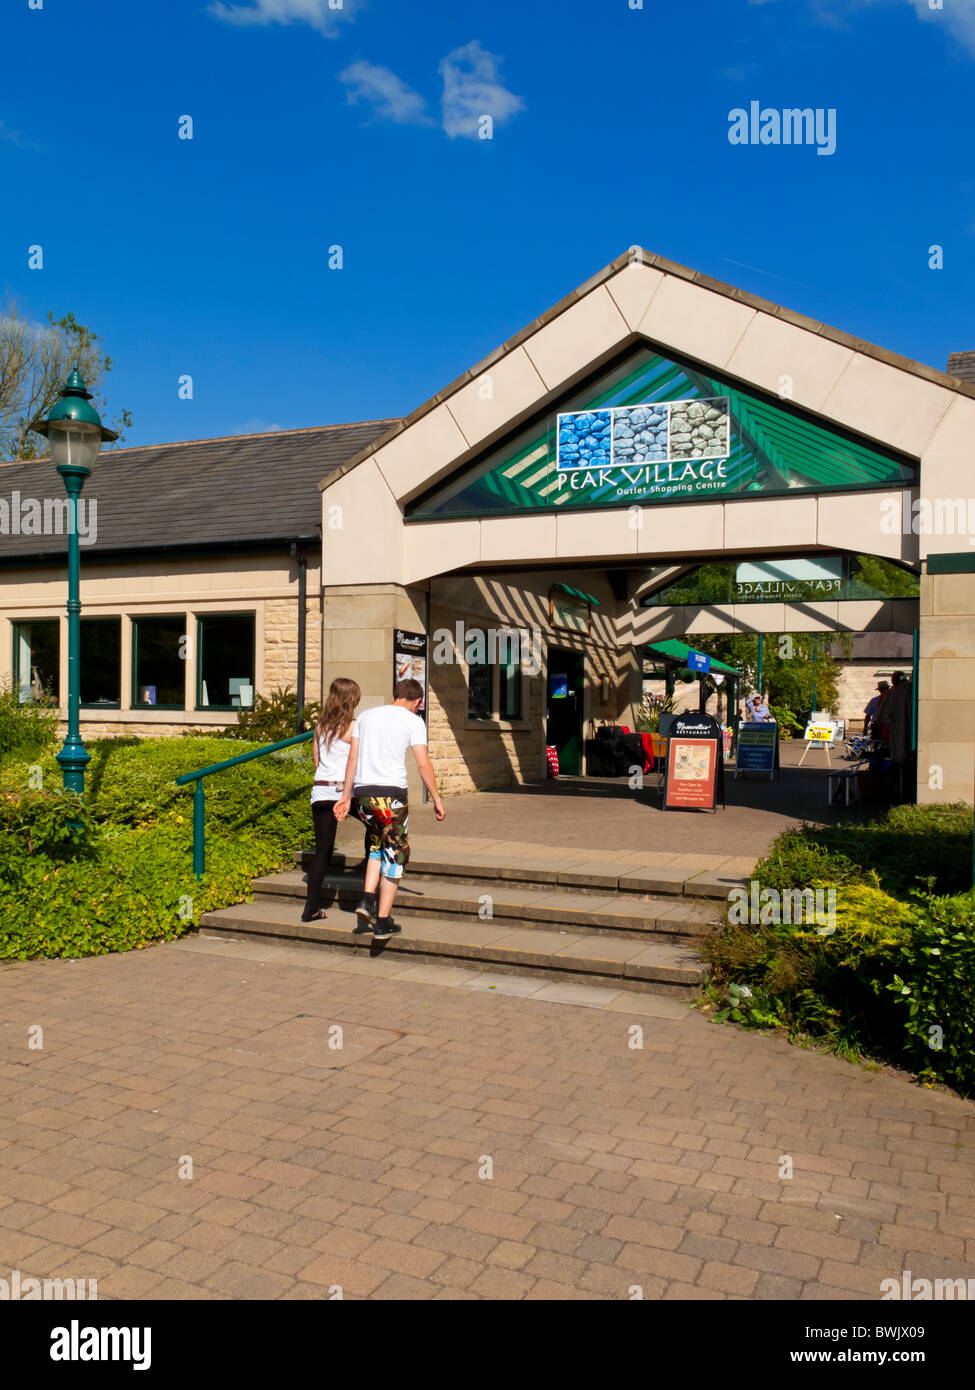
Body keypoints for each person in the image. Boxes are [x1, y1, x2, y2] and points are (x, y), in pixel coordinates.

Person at [335, 678, 445, 941]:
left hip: (363, 795)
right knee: (395, 856)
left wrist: (346, 796)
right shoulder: (413, 721)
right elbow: (422, 764)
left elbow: (352, 758)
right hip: (391, 797)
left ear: (396, 695)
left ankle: (366, 900)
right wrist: (437, 798)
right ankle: (383, 921)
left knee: (376, 847)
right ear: (417, 702)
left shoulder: (366, 716)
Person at [301, 677, 361, 923]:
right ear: (351, 700)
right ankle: (371, 894)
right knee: (379, 827)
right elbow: (353, 761)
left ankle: (311, 908)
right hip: (343, 792)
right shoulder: (354, 726)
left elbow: (317, 761)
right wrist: (347, 795)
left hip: (320, 792)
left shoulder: (320, 726)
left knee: (322, 851)